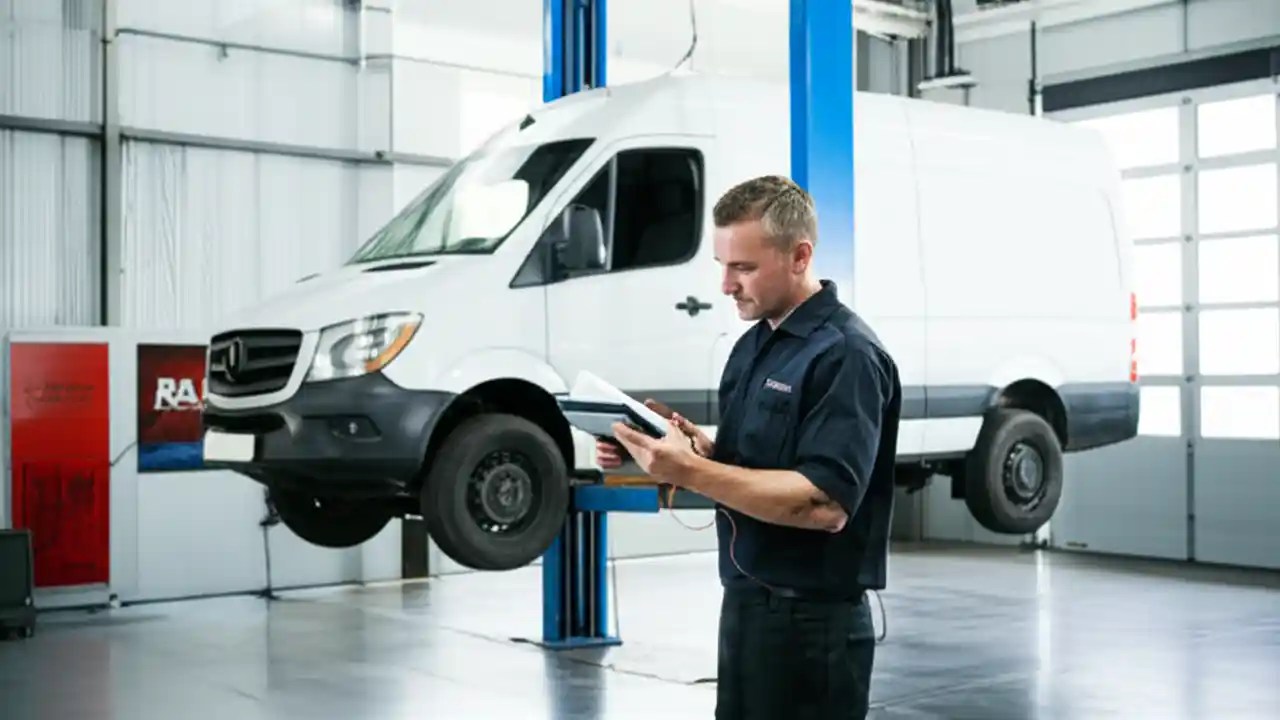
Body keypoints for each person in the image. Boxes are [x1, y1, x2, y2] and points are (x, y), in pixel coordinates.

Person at [597, 175, 902, 720]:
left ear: (799, 255)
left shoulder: (848, 356)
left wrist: (689, 472)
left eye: (743, 267)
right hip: (745, 609)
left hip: (814, 630)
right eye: (722, 264)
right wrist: (677, 449)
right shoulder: (753, 346)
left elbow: (823, 503)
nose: (725, 285)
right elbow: (750, 468)